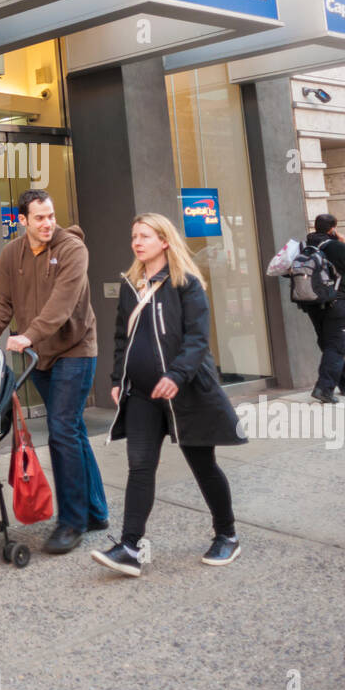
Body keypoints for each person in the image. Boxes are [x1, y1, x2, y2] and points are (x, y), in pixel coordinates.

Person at [91, 213, 247, 577]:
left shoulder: (186, 284)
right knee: (140, 466)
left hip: (186, 392)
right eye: (134, 236)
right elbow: (121, 338)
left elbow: (197, 339)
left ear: (164, 241)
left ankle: (227, 535)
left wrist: (176, 375)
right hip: (143, 394)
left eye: (144, 236)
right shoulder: (131, 285)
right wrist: (118, 378)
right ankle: (130, 546)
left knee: (203, 466)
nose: (137, 242)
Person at [0, 189, 108, 554]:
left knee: (62, 429)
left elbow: (61, 304)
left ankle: (72, 522)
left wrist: (28, 335)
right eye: (39, 218)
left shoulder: (72, 250)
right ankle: (95, 510)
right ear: (23, 220)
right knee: (75, 430)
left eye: (50, 215)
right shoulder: (11, 254)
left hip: (75, 350)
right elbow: (0, 297)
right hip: (39, 355)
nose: (48, 223)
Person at [298, 213, 345, 405]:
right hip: (336, 302)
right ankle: (324, 388)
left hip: (312, 304)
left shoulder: (304, 247)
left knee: (329, 345)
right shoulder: (336, 246)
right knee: (337, 346)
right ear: (332, 229)